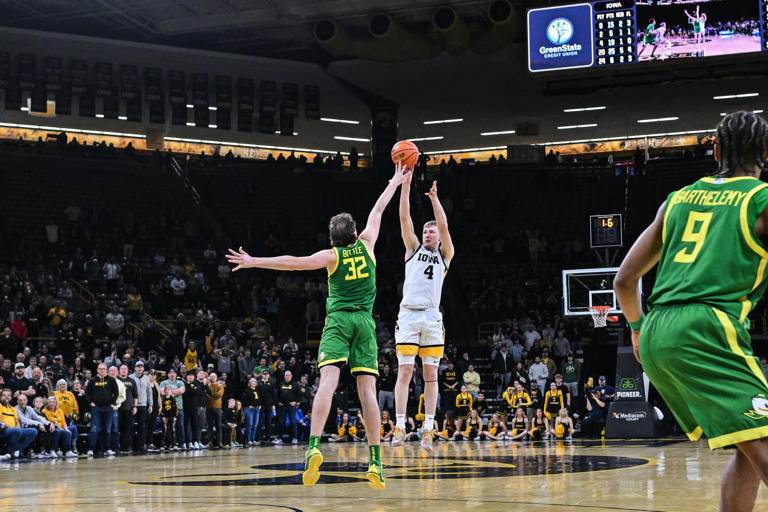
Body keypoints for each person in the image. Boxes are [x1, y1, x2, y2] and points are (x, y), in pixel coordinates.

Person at [614, 112, 768, 511]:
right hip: (707, 327)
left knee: (748, 443)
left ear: (715, 149)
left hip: (656, 330)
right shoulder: (761, 199)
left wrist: (636, 330)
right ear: (765, 154)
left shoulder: (676, 200)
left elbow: (624, 280)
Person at [226, 162, 408, 489]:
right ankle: (376, 463)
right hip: (365, 323)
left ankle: (312, 448)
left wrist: (255, 261)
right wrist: (395, 180)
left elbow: (293, 264)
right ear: (353, 233)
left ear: (334, 239)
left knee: (328, 381)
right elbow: (379, 208)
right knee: (367, 390)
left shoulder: (331, 256)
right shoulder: (367, 244)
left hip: (338, 321)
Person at [392, 174, 455, 453]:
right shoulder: (413, 249)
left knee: (431, 374)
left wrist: (435, 200)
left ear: (438, 237)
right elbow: (404, 217)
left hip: (431, 317)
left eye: (432, 232)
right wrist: (405, 187)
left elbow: (444, 224)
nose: (428, 234)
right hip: (408, 315)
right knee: (405, 371)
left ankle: (428, 428)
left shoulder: (445, 255)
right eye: (425, 231)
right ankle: (399, 426)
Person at [85, 363, 118, 456]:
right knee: (94, 429)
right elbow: (87, 393)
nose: (102, 370)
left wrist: (113, 402)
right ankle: (91, 449)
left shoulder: (111, 380)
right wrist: (91, 402)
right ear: (97, 370)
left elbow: (116, 392)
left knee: (107, 430)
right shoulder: (92, 380)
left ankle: (107, 449)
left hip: (108, 408)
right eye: (100, 369)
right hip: (97, 408)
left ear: (106, 370)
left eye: (104, 369)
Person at [0, 389, 37, 460]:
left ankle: (18, 450)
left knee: (33, 431)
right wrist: (13, 429)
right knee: (17, 431)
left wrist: (17, 428)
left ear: (11, 398)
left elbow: (17, 422)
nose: (6, 397)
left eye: (9, 395)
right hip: (3, 430)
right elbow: (0, 421)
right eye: (4, 395)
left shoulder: (12, 408)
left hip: (14, 430)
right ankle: (11, 451)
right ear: (0, 397)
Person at [159, 369, 186, 450]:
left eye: (173, 373)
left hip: (179, 408)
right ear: (168, 375)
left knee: (180, 426)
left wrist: (169, 391)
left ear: (176, 374)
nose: (172, 374)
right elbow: (162, 392)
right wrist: (175, 392)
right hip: (167, 409)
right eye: (170, 373)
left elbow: (182, 391)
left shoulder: (180, 382)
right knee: (168, 428)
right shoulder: (163, 382)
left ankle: (181, 443)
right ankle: (169, 444)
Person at [130, 361, 153, 453]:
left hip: (143, 405)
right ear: (135, 368)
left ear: (143, 368)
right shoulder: (130, 377)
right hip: (133, 405)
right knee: (131, 426)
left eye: (141, 367)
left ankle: (141, 445)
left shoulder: (146, 378)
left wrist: (150, 404)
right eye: (138, 367)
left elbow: (149, 392)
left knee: (142, 426)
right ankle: (130, 445)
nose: (139, 368)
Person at [275, 370, 300, 445]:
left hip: (291, 406)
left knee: (293, 422)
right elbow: (277, 395)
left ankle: (295, 438)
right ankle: (280, 438)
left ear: (291, 376)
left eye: (289, 375)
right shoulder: (281, 384)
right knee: (281, 422)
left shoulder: (295, 384)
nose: (287, 376)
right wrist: (278, 402)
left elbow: (300, 395)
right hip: (282, 406)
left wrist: (295, 402)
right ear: (284, 376)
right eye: (286, 375)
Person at [206, 372, 225, 449]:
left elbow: (219, 395)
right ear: (209, 377)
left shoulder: (220, 385)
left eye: (214, 376)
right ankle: (210, 442)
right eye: (211, 376)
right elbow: (206, 395)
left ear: (216, 377)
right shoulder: (207, 386)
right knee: (209, 426)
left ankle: (219, 442)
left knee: (218, 425)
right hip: (208, 407)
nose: (213, 377)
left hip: (218, 407)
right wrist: (213, 395)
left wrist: (210, 395)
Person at [242, 377, 261, 446]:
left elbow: (260, 399)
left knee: (255, 425)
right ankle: (248, 440)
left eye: (255, 381)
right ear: (249, 383)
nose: (253, 382)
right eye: (252, 381)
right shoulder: (247, 390)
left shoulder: (258, 391)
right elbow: (243, 400)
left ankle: (253, 439)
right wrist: (248, 405)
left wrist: (260, 405)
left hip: (257, 409)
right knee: (249, 425)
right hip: (249, 409)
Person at [159, 385, 178, 450]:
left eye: (168, 390)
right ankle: (163, 445)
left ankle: (174, 444)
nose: (167, 391)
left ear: (171, 391)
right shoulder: (162, 399)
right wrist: (162, 416)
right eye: (166, 390)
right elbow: (161, 408)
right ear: (164, 391)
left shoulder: (173, 399)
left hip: (172, 417)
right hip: (165, 417)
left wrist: (175, 416)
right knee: (164, 431)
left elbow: (176, 408)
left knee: (173, 431)